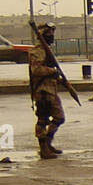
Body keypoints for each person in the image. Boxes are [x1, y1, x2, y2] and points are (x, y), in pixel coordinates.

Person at [29, 22, 66, 159]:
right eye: (49, 33)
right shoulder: (37, 51)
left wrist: (59, 79)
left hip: (51, 89)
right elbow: (36, 70)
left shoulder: (47, 50)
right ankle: (43, 148)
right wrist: (52, 71)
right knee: (42, 120)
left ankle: (48, 142)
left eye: (52, 32)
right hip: (42, 90)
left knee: (59, 117)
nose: (52, 35)